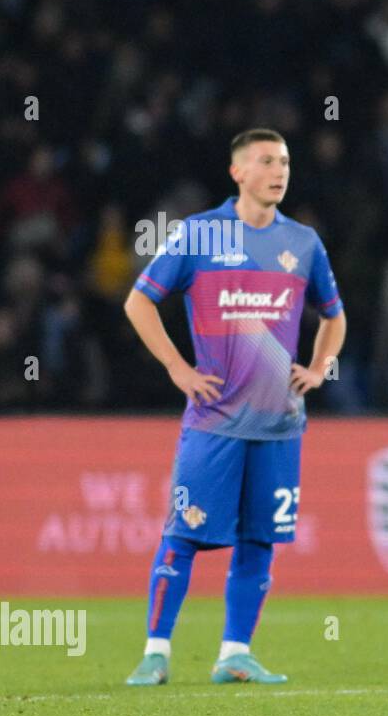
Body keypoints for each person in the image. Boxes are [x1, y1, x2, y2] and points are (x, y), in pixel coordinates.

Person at [122, 128, 346, 685]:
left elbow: (334, 316)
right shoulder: (200, 234)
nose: (280, 171)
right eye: (267, 161)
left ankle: (234, 653)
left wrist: (317, 368)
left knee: (259, 539)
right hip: (214, 421)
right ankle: (156, 652)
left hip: (280, 423)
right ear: (238, 172)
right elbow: (138, 301)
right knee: (186, 534)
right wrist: (177, 368)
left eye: (286, 162)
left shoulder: (304, 243)